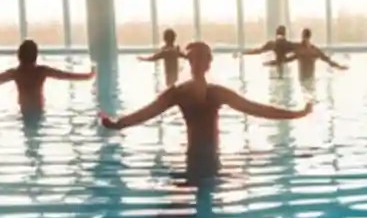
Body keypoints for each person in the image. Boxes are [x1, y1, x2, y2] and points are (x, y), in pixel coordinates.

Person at [100, 42, 312, 165]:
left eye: (204, 58)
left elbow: (255, 108)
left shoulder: (216, 93)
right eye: (198, 58)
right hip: (197, 158)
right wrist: (118, 124)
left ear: (208, 63)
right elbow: (147, 112)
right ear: (191, 62)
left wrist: (294, 114)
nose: (201, 63)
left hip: (210, 158)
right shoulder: (179, 93)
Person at [0, 40, 96, 112]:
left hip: (24, 110)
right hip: (39, 109)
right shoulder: (41, 71)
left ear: (19, 56)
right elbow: (66, 76)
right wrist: (88, 76)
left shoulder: (15, 73)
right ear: (35, 56)